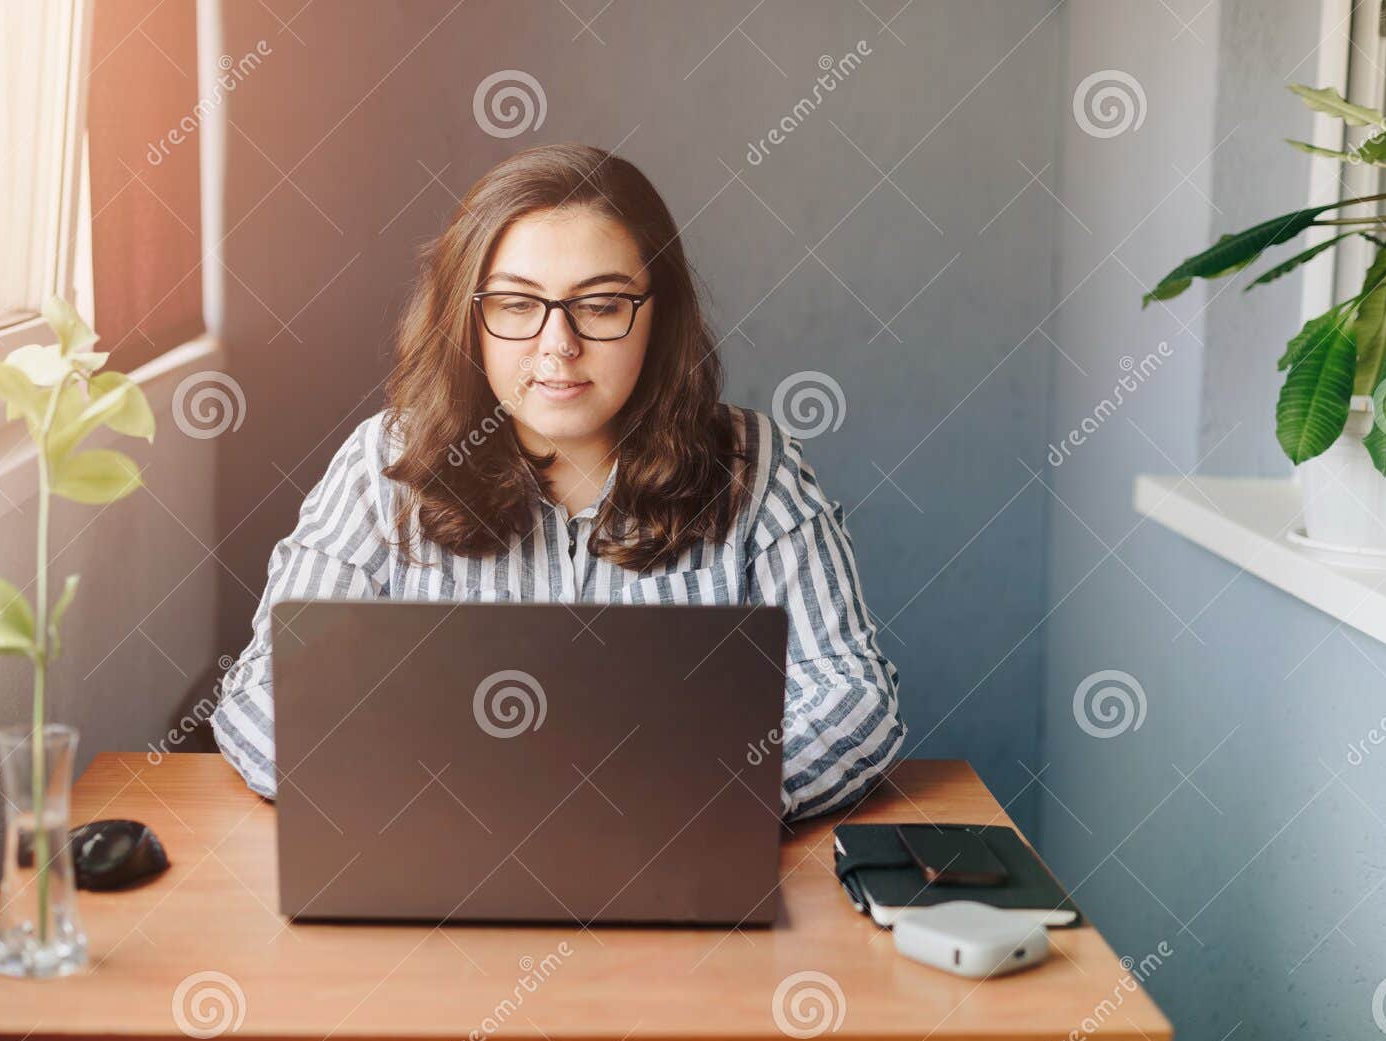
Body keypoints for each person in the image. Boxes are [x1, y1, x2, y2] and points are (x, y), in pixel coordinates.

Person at [212, 142, 906, 820]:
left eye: (601, 305)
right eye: (517, 304)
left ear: (657, 316)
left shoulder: (753, 466)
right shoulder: (385, 463)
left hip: (675, 865)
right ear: (468, 317)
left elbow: (853, 696)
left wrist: (707, 801)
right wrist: (432, 803)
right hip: (440, 876)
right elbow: (262, 694)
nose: (558, 345)